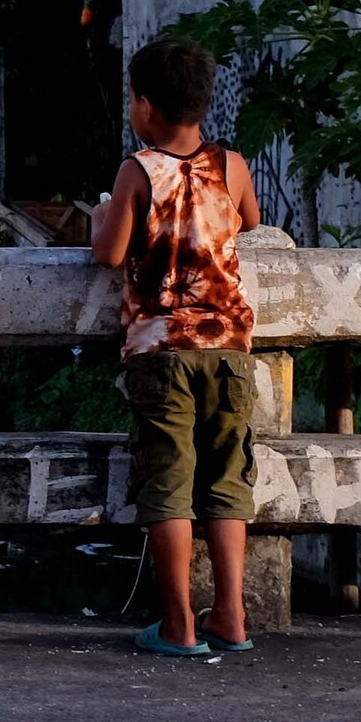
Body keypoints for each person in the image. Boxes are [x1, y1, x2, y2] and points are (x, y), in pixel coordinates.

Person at [89, 37, 265, 658]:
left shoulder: (138, 170)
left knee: (167, 483)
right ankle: (233, 618)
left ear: (144, 106)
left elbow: (109, 252)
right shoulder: (233, 164)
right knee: (225, 479)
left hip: (162, 349)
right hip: (231, 348)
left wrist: (101, 216)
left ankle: (179, 625)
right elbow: (246, 217)